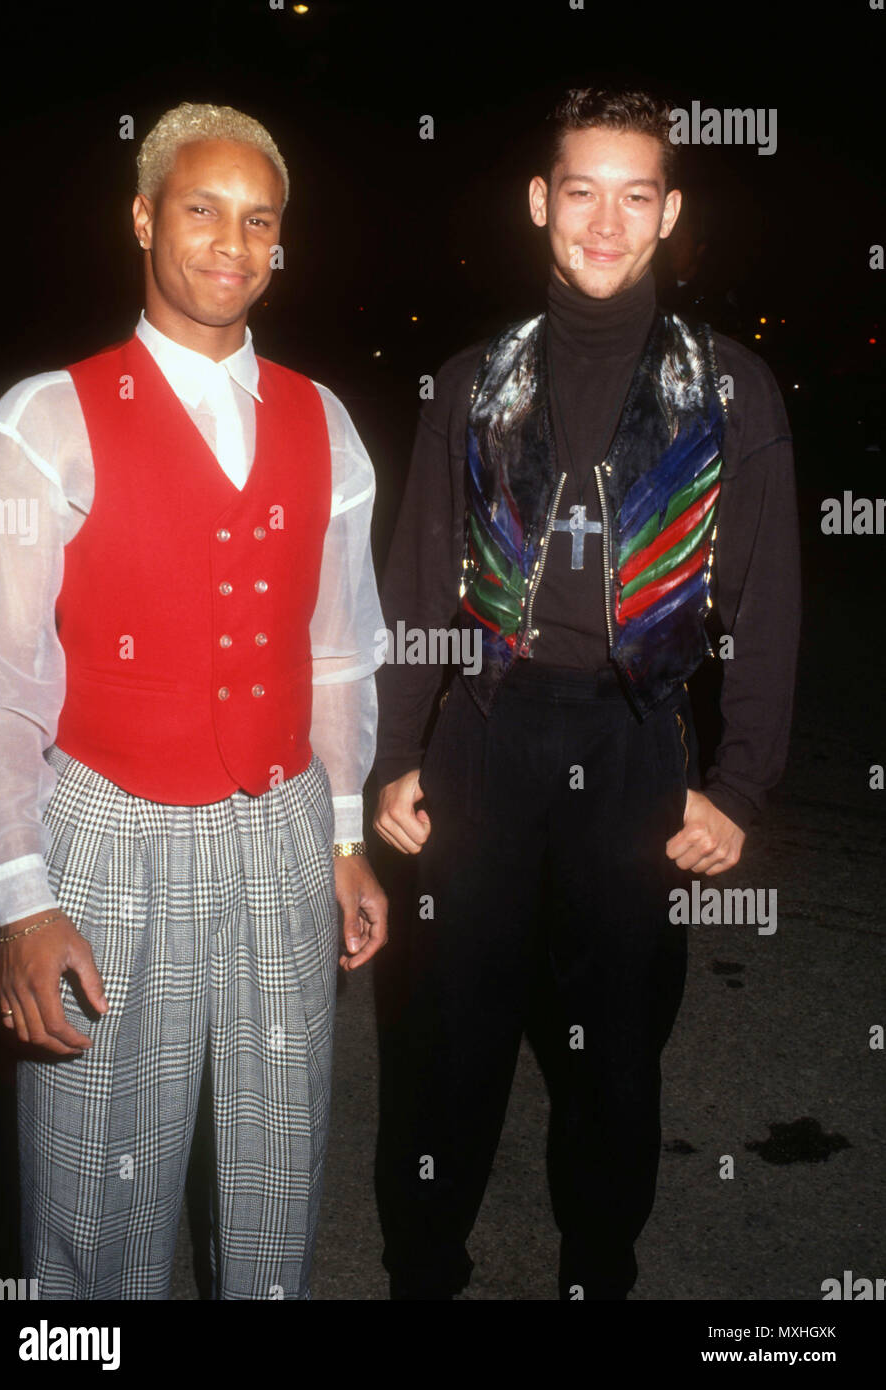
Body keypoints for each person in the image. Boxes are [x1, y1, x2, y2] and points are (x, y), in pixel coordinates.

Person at [372, 87, 800, 1300]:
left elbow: (765, 607)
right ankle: (421, 1270)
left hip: (631, 748)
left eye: (631, 196)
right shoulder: (468, 381)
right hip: (487, 739)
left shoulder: (731, 389)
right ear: (537, 203)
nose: (602, 221)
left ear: (666, 212)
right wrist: (394, 755)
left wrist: (737, 786)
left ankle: (595, 1276)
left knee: (614, 1060)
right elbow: (415, 578)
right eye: (579, 191)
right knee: (447, 1046)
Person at [0, 101, 388, 1300]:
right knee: (98, 1195)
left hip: (282, 826)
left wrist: (347, 840)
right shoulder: (41, 420)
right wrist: (21, 900)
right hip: (106, 828)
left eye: (259, 221)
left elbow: (338, 652)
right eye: (201, 209)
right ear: (145, 216)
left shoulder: (328, 422)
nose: (230, 242)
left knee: (277, 1177)